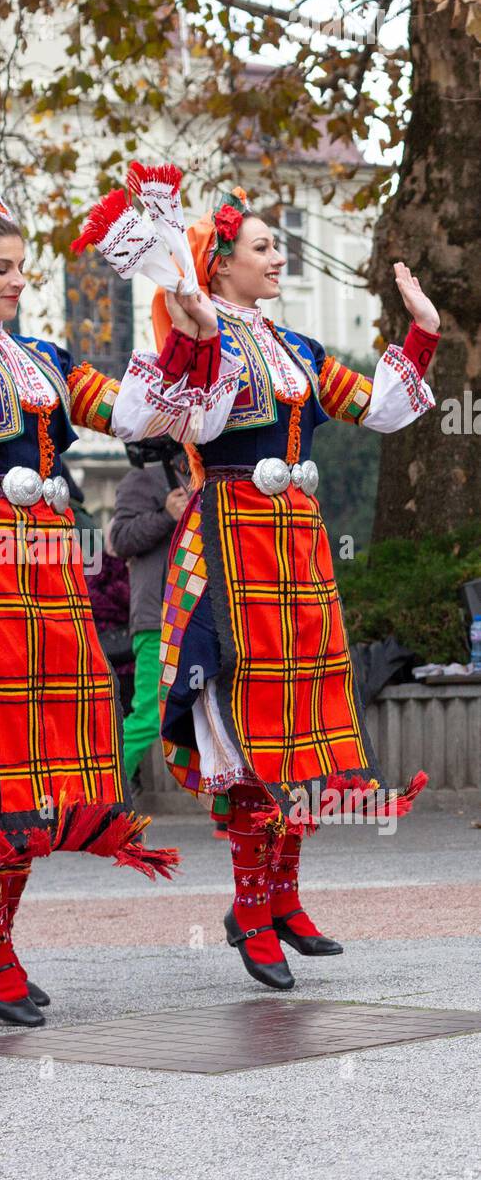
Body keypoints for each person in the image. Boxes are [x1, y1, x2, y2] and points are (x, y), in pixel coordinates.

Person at [0, 193, 234, 1026]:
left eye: (21, 267)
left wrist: (183, 337)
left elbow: (130, 414)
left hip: (43, 553)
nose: (17, 281)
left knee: (46, 744)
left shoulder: (42, 356)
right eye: (0, 268)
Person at [144, 182, 439, 991]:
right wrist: (194, 331)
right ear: (222, 265)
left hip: (298, 550)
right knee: (248, 725)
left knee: (305, 720)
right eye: (264, 248)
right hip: (230, 545)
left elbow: (378, 408)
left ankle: (282, 900)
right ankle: (250, 906)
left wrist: (419, 333)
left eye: (279, 246)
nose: (280, 257)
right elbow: (184, 421)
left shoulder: (298, 348)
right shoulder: (203, 339)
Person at [110, 438, 189, 789]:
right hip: (157, 617)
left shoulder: (201, 481)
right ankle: (103, 793)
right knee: (148, 713)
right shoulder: (140, 481)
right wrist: (166, 516)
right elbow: (121, 539)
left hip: (199, 615)